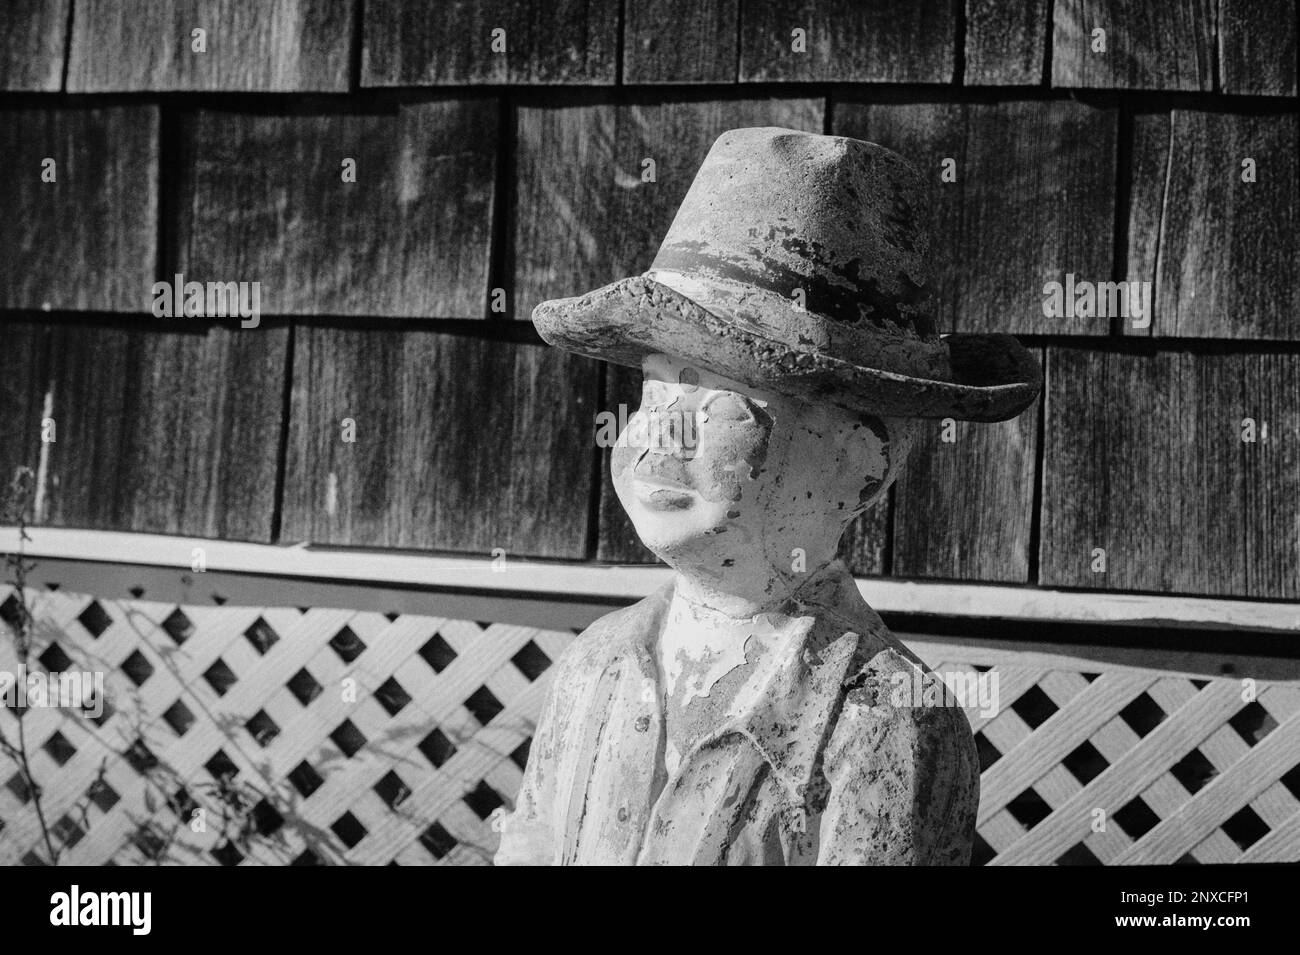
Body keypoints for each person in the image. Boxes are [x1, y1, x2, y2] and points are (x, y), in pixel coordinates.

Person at [495, 127, 1041, 865]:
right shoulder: (597, 665)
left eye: (720, 403)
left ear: (864, 463)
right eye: (656, 393)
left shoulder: (883, 721)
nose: (664, 436)